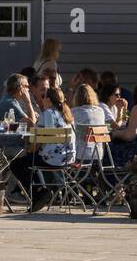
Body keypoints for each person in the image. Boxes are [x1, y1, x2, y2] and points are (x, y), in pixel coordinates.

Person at [9, 82, 75, 211]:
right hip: (68, 158)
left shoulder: (47, 114)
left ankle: (39, 192)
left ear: (49, 100)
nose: (42, 99)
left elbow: (38, 138)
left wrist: (30, 146)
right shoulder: (67, 114)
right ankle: (39, 191)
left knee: (16, 164)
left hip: (51, 159)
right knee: (29, 159)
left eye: (44, 96)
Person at [70, 83, 110, 162]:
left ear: (76, 97)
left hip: (79, 155)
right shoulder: (100, 111)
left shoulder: (74, 112)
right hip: (98, 155)